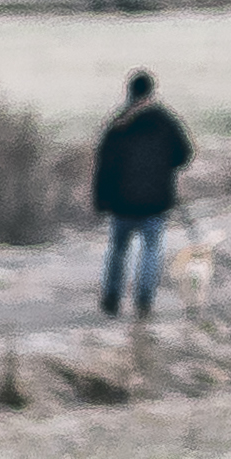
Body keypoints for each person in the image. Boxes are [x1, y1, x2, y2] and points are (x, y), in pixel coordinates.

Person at [91, 71, 191, 316]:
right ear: (151, 92)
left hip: (121, 202)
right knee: (151, 250)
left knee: (117, 250)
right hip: (156, 201)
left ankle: (111, 298)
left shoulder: (118, 123)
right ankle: (144, 300)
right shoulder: (165, 121)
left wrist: (100, 200)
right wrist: (163, 166)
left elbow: (104, 165)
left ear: (129, 92)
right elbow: (184, 154)